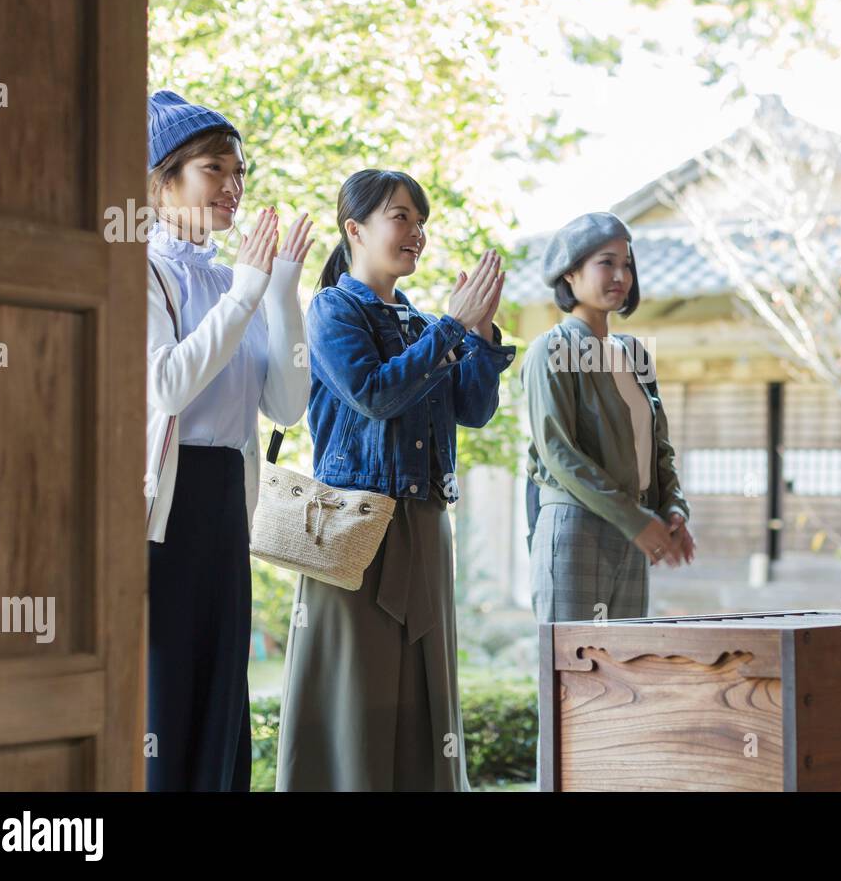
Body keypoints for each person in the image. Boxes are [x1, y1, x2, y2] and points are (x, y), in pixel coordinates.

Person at [277, 169, 514, 790]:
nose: (417, 232)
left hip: (426, 524)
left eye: (420, 220)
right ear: (355, 229)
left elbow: (474, 410)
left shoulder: (423, 323)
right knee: (355, 689)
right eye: (401, 216)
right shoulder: (332, 309)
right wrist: (453, 329)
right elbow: (375, 394)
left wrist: (480, 335)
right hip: (356, 530)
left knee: (422, 690)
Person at [144, 89, 314, 791]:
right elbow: (167, 387)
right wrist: (247, 292)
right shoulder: (141, 270)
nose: (233, 185)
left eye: (239, 171)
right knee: (166, 693)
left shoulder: (231, 278)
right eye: (214, 168)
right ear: (162, 182)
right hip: (163, 510)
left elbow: (287, 405)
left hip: (226, 505)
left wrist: (281, 291)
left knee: (222, 698)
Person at [522, 211, 695, 625]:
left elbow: (658, 447)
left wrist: (672, 508)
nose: (621, 275)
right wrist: (636, 521)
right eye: (606, 263)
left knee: (626, 664)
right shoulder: (550, 349)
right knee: (575, 663)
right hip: (576, 528)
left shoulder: (634, 353)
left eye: (627, 264)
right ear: (570, 273)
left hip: (635, 531)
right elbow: (558, 452)